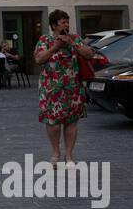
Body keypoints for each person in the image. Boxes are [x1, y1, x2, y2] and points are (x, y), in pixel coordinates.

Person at [32, 10, 96, 166]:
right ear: (54, 25)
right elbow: (39, 59)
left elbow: (89, 54)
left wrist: (72, 43)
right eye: (63, 22)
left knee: (71, 121)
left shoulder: (74, 38)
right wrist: (56, 47)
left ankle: (69, 155)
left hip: (72, 86)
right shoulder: (45, 40)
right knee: (53, 122)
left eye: (67, 22)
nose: (66, 25)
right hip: (51, 87)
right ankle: (55, 152)